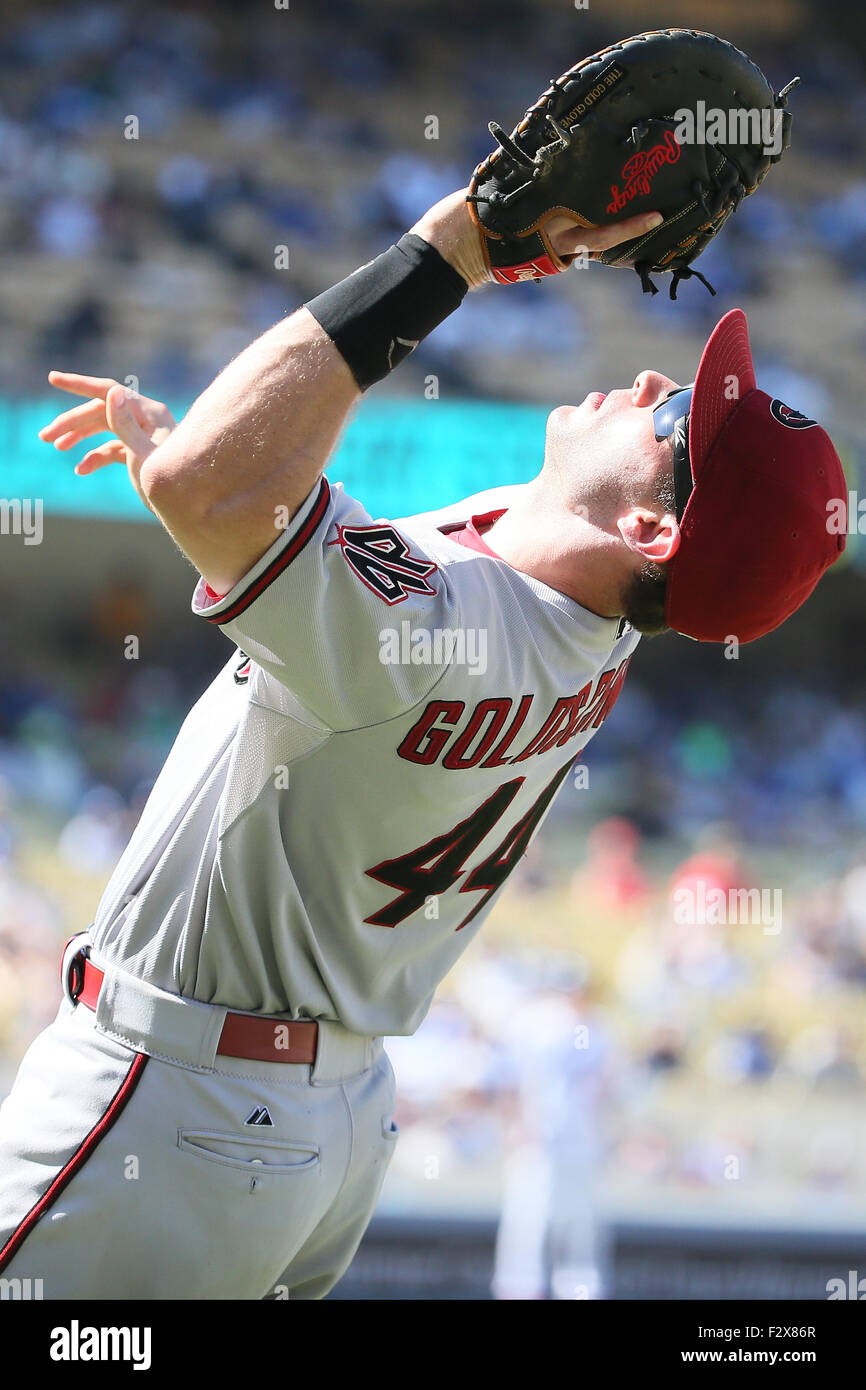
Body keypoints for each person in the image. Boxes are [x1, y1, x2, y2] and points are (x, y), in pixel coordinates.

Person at [0, 185, 845, 1298]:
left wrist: (455, 246)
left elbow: (224, 496)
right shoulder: (586, 624)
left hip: (177, 1103)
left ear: (649, 529)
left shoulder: (446, 621)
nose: (649, 382)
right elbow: (258, 508)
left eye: (672, 418)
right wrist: (211, 474)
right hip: (316, 1125)